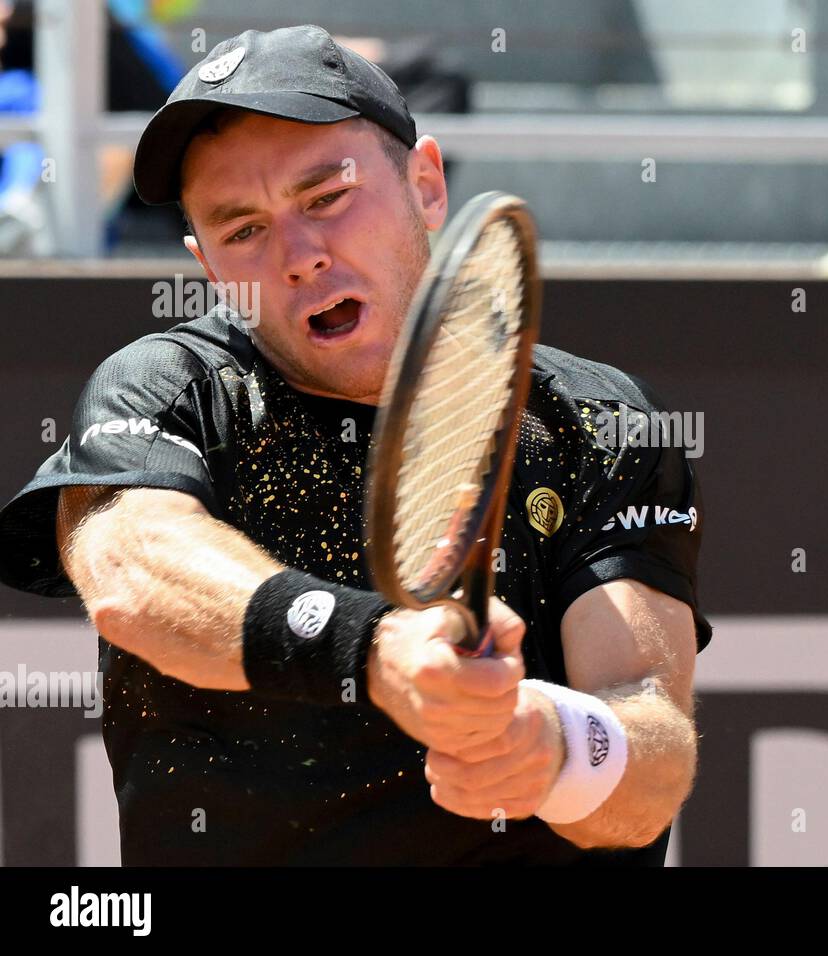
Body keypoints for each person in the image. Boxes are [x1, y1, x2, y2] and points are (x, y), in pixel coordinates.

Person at [0, 24, 709, 865]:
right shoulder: (167, 387)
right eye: (243, 230)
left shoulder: (595, 421)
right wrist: (375, 649)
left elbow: (650, 757)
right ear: (209, 267)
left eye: (327, 197)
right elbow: (131, 573)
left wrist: (553, 747)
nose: (299, 256)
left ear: (426, 186)